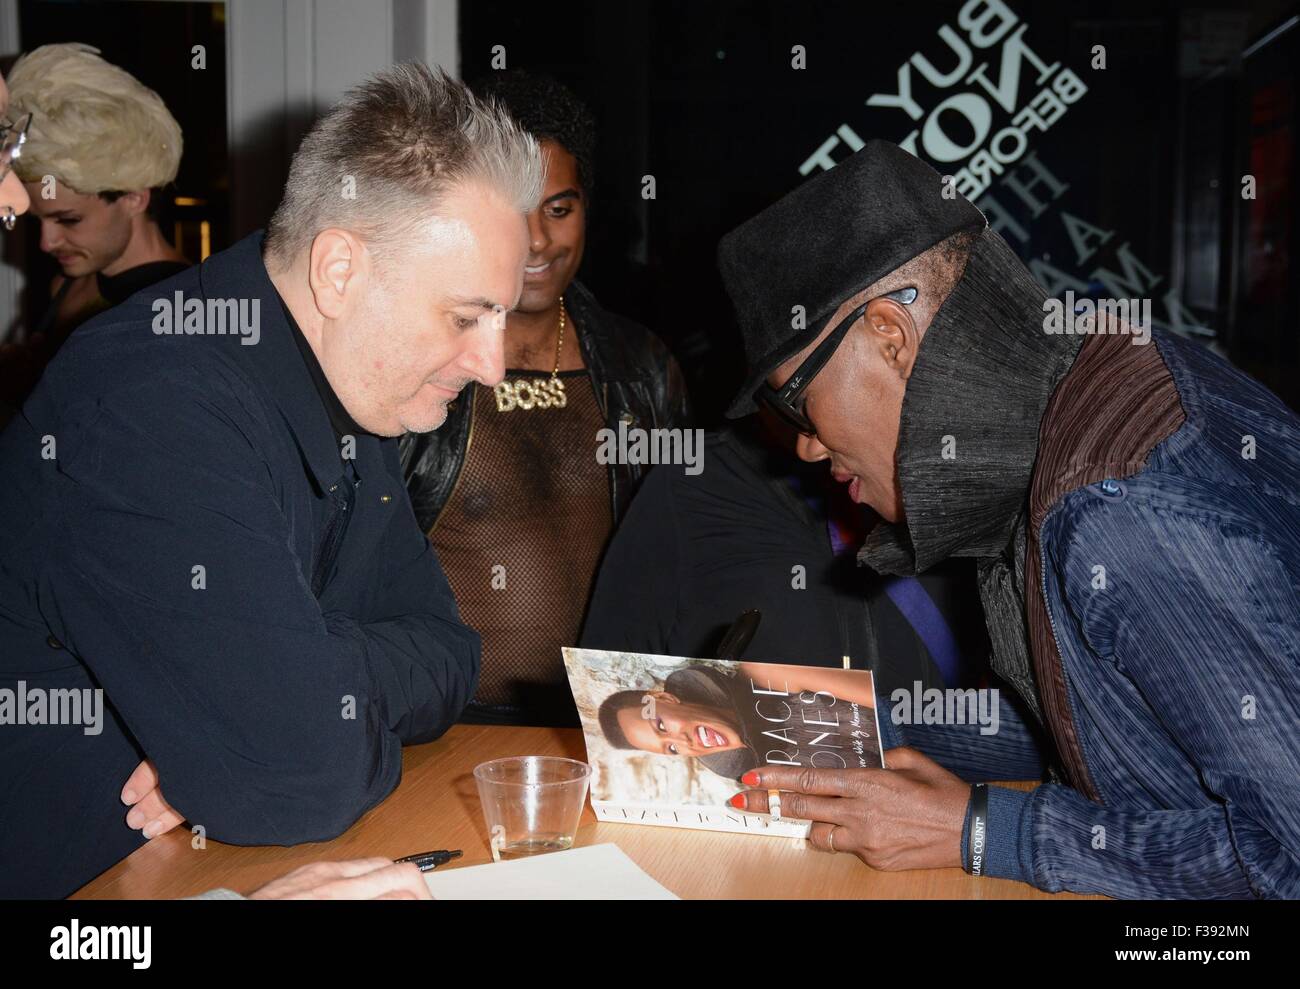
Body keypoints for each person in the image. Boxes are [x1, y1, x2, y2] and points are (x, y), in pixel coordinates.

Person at [0, 63, 540, 898]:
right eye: (466, 316)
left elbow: (451, 652)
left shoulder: (353, 388)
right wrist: (267, 723)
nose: (492, 365)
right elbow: (298, 769)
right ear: (339, 271)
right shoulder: (153, 402)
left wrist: (295, 687)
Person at [721, 140, 1300, 899]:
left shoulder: (1117, 512)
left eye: (795, 399)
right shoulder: (1093, 383)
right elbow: (1111, 725)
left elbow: (1287, 852)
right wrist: (866, 731)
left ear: (890, 336)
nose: (803, 441)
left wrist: (985, 832)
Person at [401, 71, 689, 728]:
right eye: (511, 212)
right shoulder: (412, 367)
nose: (536, 240)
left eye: (558, 209)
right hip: (446, 734)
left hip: (609, 729)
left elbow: (686, 554)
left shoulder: (641, 367)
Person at [580, 416, 996, 698]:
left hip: (943, 791)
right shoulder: (692, 481)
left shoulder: (971, 477)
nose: (810, 443)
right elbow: (607, 690)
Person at [0, 44, 189, 420]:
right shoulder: (68, 283)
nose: (46, 243)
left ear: (133, 198)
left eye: (68, 220)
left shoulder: (179, 309)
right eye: (38, 220)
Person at [596, 661, 882, 780]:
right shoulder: (763, 779)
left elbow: (885, 700)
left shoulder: (764, 674)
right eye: (671, 749)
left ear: (666, 699)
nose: (683, 742)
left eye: (661, 726)